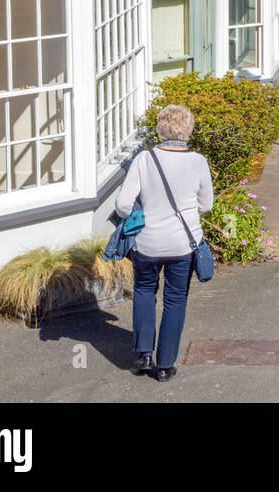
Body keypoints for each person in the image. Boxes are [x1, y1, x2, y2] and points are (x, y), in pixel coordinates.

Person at [114, 105, 213, 383]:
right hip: (183, 245)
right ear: (188, 130)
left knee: (144, 292)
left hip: (147, 245)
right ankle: (166, 366)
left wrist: (142, 212)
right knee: (176, 300)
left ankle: (144, 354)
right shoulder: (198, 162)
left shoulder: (144, 160)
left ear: (160, 129)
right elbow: (206, 205)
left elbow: (122, 205)